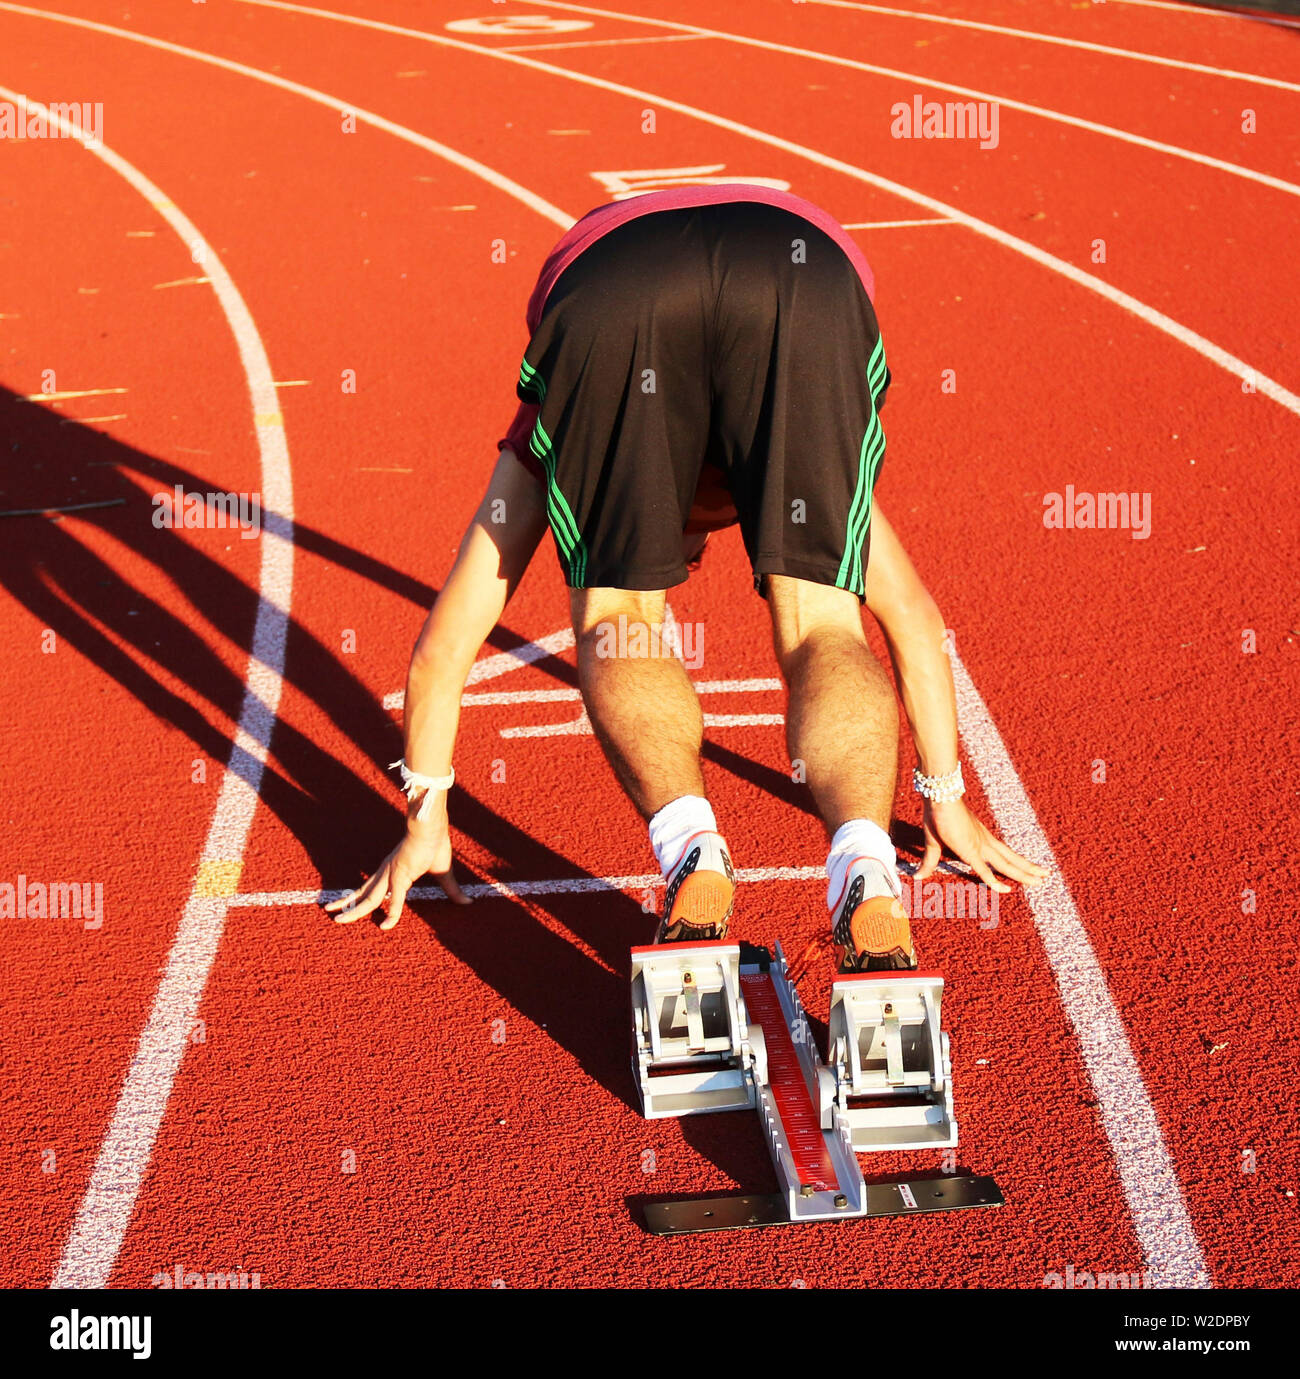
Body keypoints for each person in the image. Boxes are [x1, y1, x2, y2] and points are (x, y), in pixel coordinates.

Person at [327, 185, 1045, 969]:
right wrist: (945, 800)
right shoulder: (775, 468)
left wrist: (425, 819)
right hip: (800, 267)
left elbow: (442, 649)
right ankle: (865, 862)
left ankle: (692, 846)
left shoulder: (548, 447)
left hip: (613, 287)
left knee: (620, 614)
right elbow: (912, 619)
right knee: (824, 621)